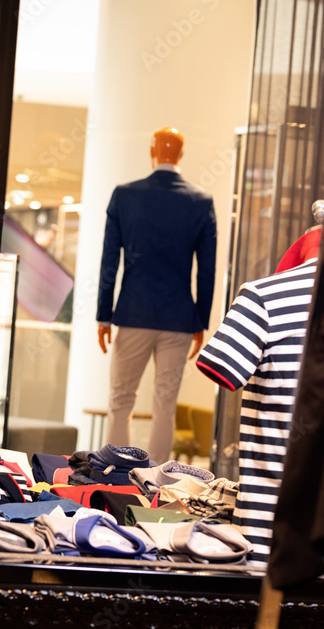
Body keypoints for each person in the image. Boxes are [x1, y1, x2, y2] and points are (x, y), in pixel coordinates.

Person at [96, 126, 217, 464]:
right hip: (178, 318)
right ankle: (157, 485)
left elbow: (110, 261)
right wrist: (200, 321)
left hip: (133, 313)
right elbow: (206, 270)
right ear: (180, 155)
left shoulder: (125, 196)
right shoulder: (200, 201)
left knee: (121, 399)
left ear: (153, 152)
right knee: (166, 401)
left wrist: (103, 315)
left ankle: (116, 475)